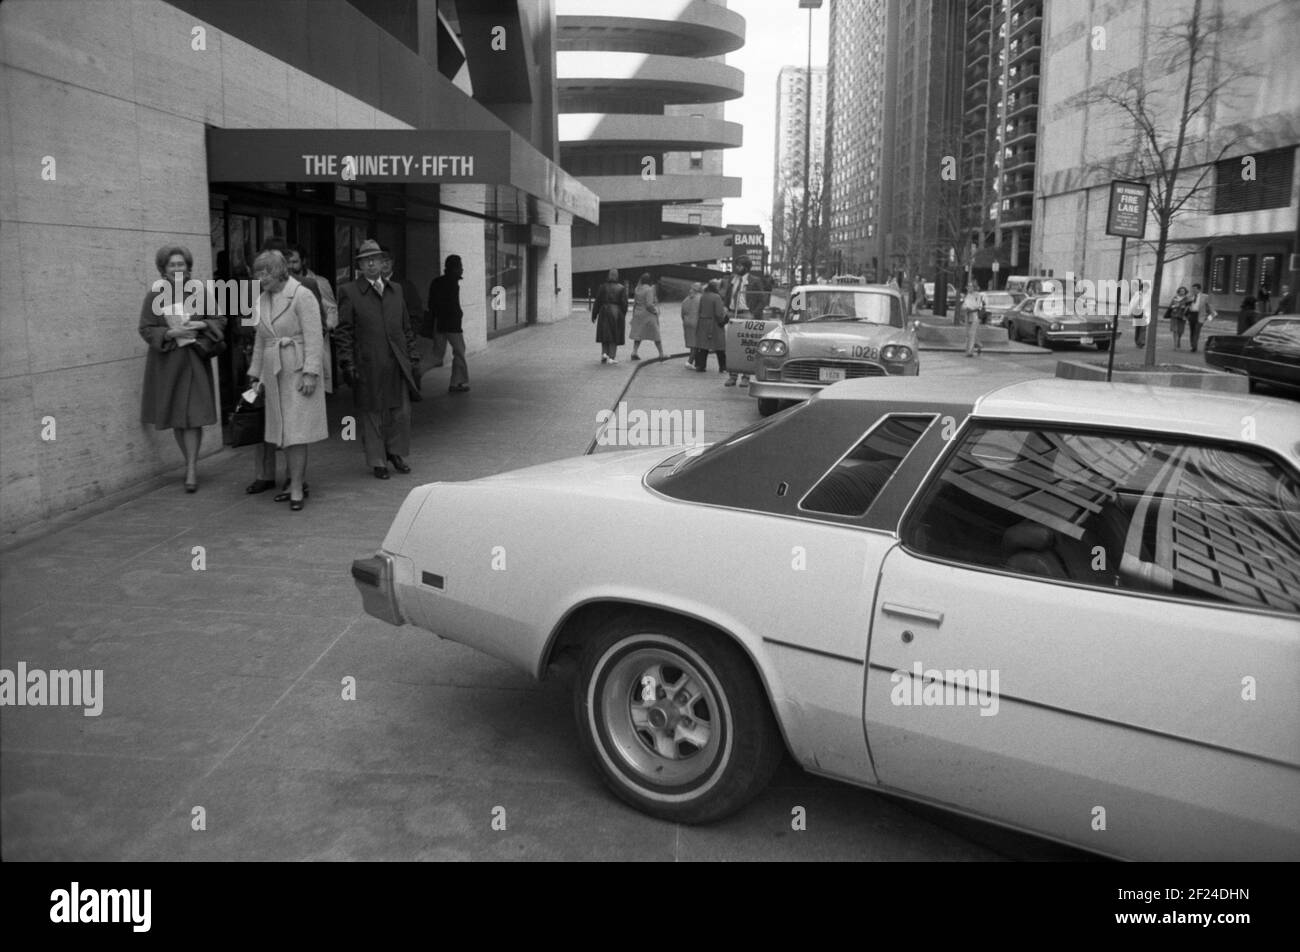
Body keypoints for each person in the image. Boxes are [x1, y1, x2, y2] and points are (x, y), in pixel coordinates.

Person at [246, 250, 328, 510]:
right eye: (257, 273)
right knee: (281, 433)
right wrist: (255, 376)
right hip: (273, 374)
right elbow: (260, 340)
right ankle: (293, 481)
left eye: (265, 272)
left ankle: (296, 487)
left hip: (297, 369)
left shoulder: (302, 294)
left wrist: (311, 373)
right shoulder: (261, 300)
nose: (261, 278)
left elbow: (315, 336)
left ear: (279, 271)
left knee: (296, 432)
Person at [138, 244, 224, 492]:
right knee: (178, 417)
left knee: (194, 417)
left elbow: (220, 320)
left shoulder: (201, 292)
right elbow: (145, 328)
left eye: (181, 264)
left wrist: (200, 324)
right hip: (168, 362)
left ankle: (192, 469)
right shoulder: (154, 296)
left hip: (195, 358)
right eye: (172, 265)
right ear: (163, 269)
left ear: (188, 268)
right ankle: (189, 463)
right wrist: (169, 332)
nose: (177, 268)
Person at [335, 239, 421, 479]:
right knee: (373, 413)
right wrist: (347, 362)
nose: (372, 263)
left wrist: (412, 355)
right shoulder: (349, 292)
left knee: (401, 412)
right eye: (366, 260)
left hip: (397, 360)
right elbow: (344, 331)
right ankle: (378, 461)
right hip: (369, 361)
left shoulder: (396, 290)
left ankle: (395, 452)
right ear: (360, 265)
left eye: (376, 259)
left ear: (384, 263)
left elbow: (406, 328)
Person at [427, 254, 469, 392]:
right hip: (452, 325)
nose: (462, 269)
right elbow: (452, 306)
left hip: (439, 323)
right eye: (460, 266)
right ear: (455, 268)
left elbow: (431, 304)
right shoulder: (452, 283)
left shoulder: (437, 281)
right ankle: (457, 382)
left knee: (436, 355)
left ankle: (416, 372)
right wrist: (458, 316)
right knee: (460, 351)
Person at [723, 257, 758, 386]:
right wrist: (726, 307)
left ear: (746, 267)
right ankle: (732, 375)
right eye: (736, 265)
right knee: (732, 345)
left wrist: (754, 313)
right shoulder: (733, 279)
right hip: (733, 313)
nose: (737, 267)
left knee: (746, 346)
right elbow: (727, 294)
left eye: (739, 265)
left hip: (747, 314)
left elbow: (762, 298)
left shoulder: (754, 281)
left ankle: (746, 377)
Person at [591, 269, 628, 364]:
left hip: (603, 310)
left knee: (604, 333)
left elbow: (597, 302)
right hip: (616, 312)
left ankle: (604, 354)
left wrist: (594, 315)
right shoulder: (621, 288)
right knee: (614, 335)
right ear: (617, 276)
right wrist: (623, 314)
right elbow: (624, 304)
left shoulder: (602, 287)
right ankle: (611, 357)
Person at [692, 279, 728, 373]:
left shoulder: (703, 296)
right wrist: (723, 321)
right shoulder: (717, 297)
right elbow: (718, 313)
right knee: (720, 346)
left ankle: (700, 365)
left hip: (703, 323)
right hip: (714, 324)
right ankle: (723, 367)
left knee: (703, 346)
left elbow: (699, 310)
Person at [629, 273, 666, 361]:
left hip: (638, 314)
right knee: (656, 334)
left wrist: (634, 314)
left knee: (638, 334)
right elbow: (649, 304)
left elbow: (635, 303)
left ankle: (634, 352)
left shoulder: (637, 289)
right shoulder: (649, 290)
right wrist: (655, 311)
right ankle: (661, 354)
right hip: (648, 315)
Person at [1187, 283, 1216, 352]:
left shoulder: (1205, 296)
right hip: (1192, 315)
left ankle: (1194, 346)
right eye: (1192, 289)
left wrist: (1212, 315)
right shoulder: (1190, 296)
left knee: (1196, 331)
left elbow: (1210, 306)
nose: (1193, 290)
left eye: (1195, 289)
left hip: (1200, 315)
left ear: (1199, 289)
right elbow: (1186, 305)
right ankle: (1192, 345)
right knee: (1192, 331)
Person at [681, 282, 703, 369]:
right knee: (696, 344)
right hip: (696, 322)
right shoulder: (700, 298)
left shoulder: (686, 299)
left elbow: (682, 313)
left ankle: (693, 360)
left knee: (691, 342)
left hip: (687, 322)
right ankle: (690, 361)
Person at [961, 282, 984, 357]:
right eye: (968, 287)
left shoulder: (978, 295)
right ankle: (979, 345)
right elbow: (964, 305)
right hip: (968, 315)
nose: (968, 288)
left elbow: (978, 305)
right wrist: (965, 308)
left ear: (974, 287)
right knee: (969, 334)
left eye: (970, 286)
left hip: (975, 315)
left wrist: (970, 308)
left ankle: (970, 352)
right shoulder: (967, 295)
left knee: (972, 333)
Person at [1128, 279, 1150, 348]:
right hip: (1137, 312)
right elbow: (1132, 303)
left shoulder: (1149, 295)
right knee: (1138, 328)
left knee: (1143, 328)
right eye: (1144, 287)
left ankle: (1142, 342)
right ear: (1141, 287)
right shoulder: (1137, 294)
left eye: (1147, 287)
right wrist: (1130, 312)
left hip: (1144, 314)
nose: (1145, 288)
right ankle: (1137, 340)